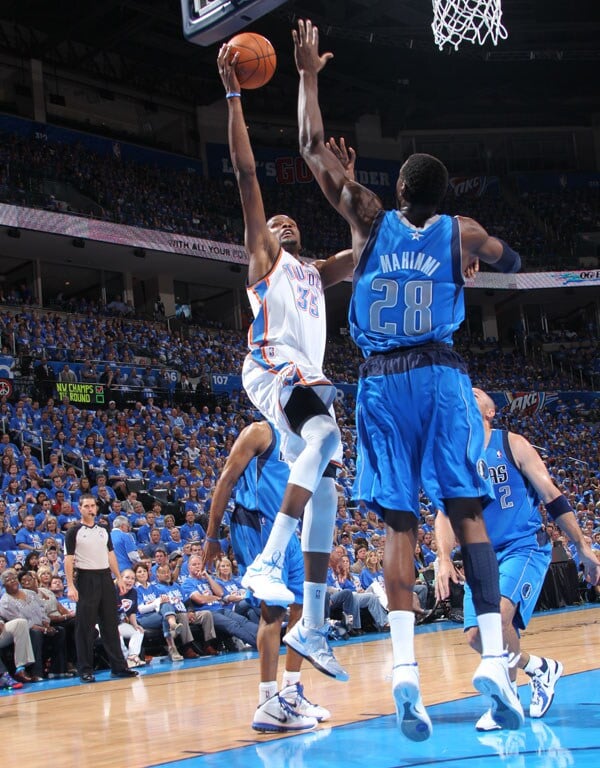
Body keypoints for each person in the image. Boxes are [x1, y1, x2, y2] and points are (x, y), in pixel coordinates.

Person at [292, 18, 525, 739]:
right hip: (440, 377)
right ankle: (491, 655)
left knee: (398, 522)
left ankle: (402, 674)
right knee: (466, 511)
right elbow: (512, 260)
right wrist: (483, 258)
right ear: (444, 195)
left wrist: (306, 74)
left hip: (382, 384)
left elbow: (307, 148)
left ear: (396, 190)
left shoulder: (368, 221)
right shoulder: (462, 231)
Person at [217, 44, 355, 683]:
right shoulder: (266, 261)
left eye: (289, 218)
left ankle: (318, 624)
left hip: (303, 378)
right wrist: (234, 96)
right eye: (273, 222)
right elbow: (247, 176)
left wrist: (345, 187)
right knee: (326, 435)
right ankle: (271, 557)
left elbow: (366, 247)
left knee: (326, 476)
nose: (280, 221)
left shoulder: (316, 271)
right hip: (272, 363)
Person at [435, 388, 600, 730]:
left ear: (490, 411)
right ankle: (539, 667)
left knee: (498, 617)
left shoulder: (512, 443)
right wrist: (443, 558)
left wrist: (582, 546)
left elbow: (551, 495)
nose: (467, 392)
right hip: (480, 555)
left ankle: (504, 701)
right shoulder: (453, 454)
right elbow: (443, 513)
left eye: (476, 392)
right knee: (476, 637)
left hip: (522, 545)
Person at [203, 421, 329, 732]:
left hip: (289, 530)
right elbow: (226, 480)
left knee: (305, 608)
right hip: (257, 526)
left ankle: (290, 692)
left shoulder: (305, 436)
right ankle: (267, 701)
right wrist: (211, 536)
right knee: (272, 611)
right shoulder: (259, 432)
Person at [64, 493, 138, 682]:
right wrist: (71, 585)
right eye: (86, 506)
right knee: (85, 627)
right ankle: (85, 669)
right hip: (86, 578)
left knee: (110, 624)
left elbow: (111, 555)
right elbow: (68, 559)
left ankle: (119, 666)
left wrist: (119, 577)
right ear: (79, 509)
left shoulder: (104, 529)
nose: (90, 509)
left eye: (92, 506)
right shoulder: (74, 531)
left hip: (105, 576)